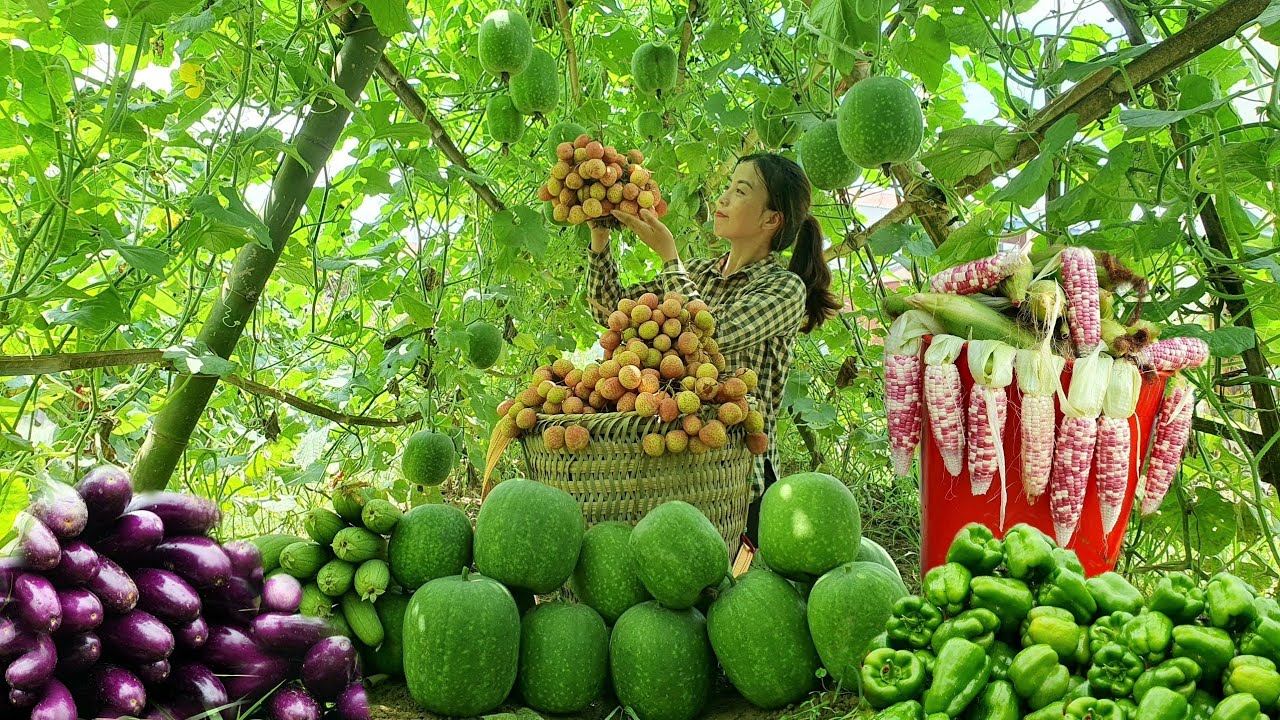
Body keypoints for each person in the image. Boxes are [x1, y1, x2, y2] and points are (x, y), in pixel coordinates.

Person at [585, 152, 841, 544]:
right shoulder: (699, 273)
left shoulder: (784, 289)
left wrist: (670, 257)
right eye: (727, 187)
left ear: (771, 220)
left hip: (733, 480)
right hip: (670, 465)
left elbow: (711, 337)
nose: (722, 199)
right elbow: (610, 310)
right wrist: (600, 237)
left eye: (739, 191)